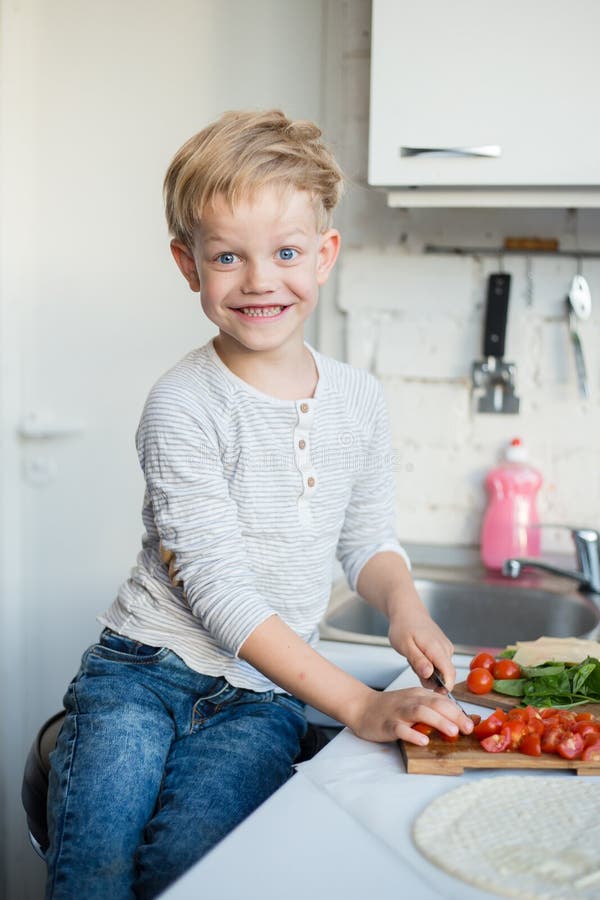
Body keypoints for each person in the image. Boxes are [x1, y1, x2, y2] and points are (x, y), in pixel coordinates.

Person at [45, 109, 473, 899]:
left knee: (196, 873)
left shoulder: (360, 400)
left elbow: (368, 538)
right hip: (141, 673)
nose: (260, 281)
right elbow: (219, 591)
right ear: (189, 264)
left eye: (285, 252)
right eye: (228, 257)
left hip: (260, 701)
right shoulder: (182, 404)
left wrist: (404, 605)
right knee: (93, 874)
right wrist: (358, 707)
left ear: (325, 254)